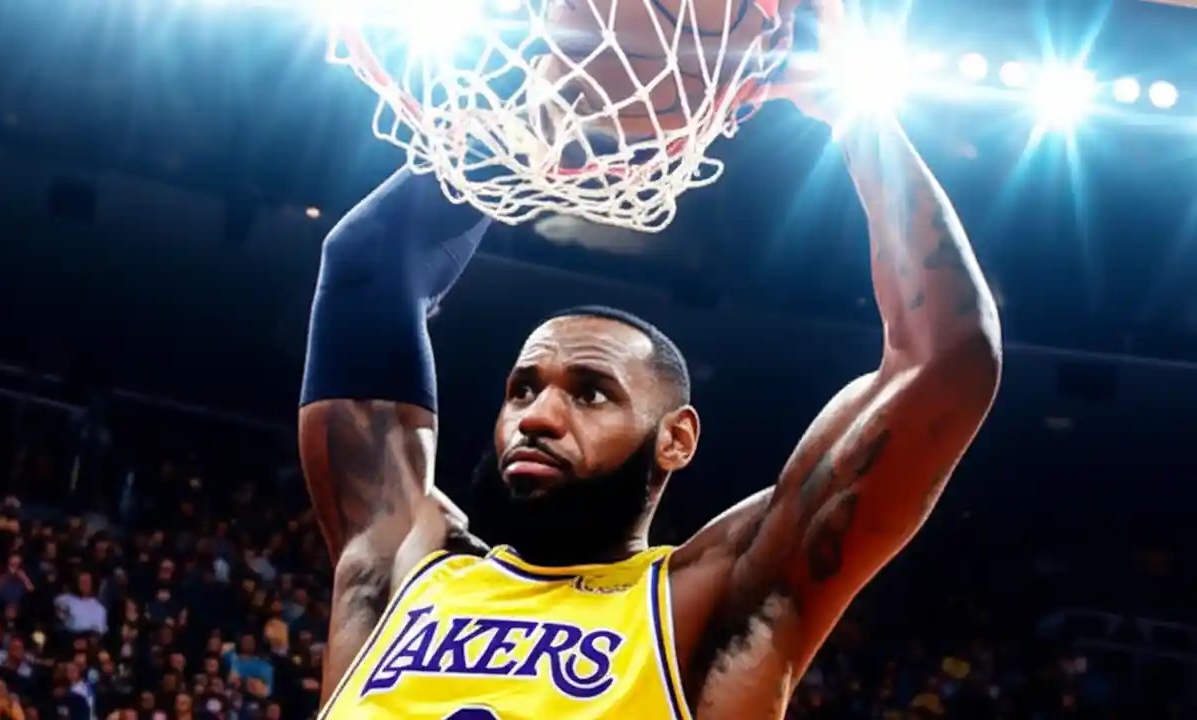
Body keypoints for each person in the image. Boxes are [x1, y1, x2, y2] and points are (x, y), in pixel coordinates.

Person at [298, 2, 1001, 717]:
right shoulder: (400, 567)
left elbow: (945, 362)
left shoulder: (710, 600)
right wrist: (528, 134)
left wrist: (854, 116)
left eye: (592, 393)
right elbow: (366, 267)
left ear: (677, 437)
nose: (538, 416)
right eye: (521, 389)